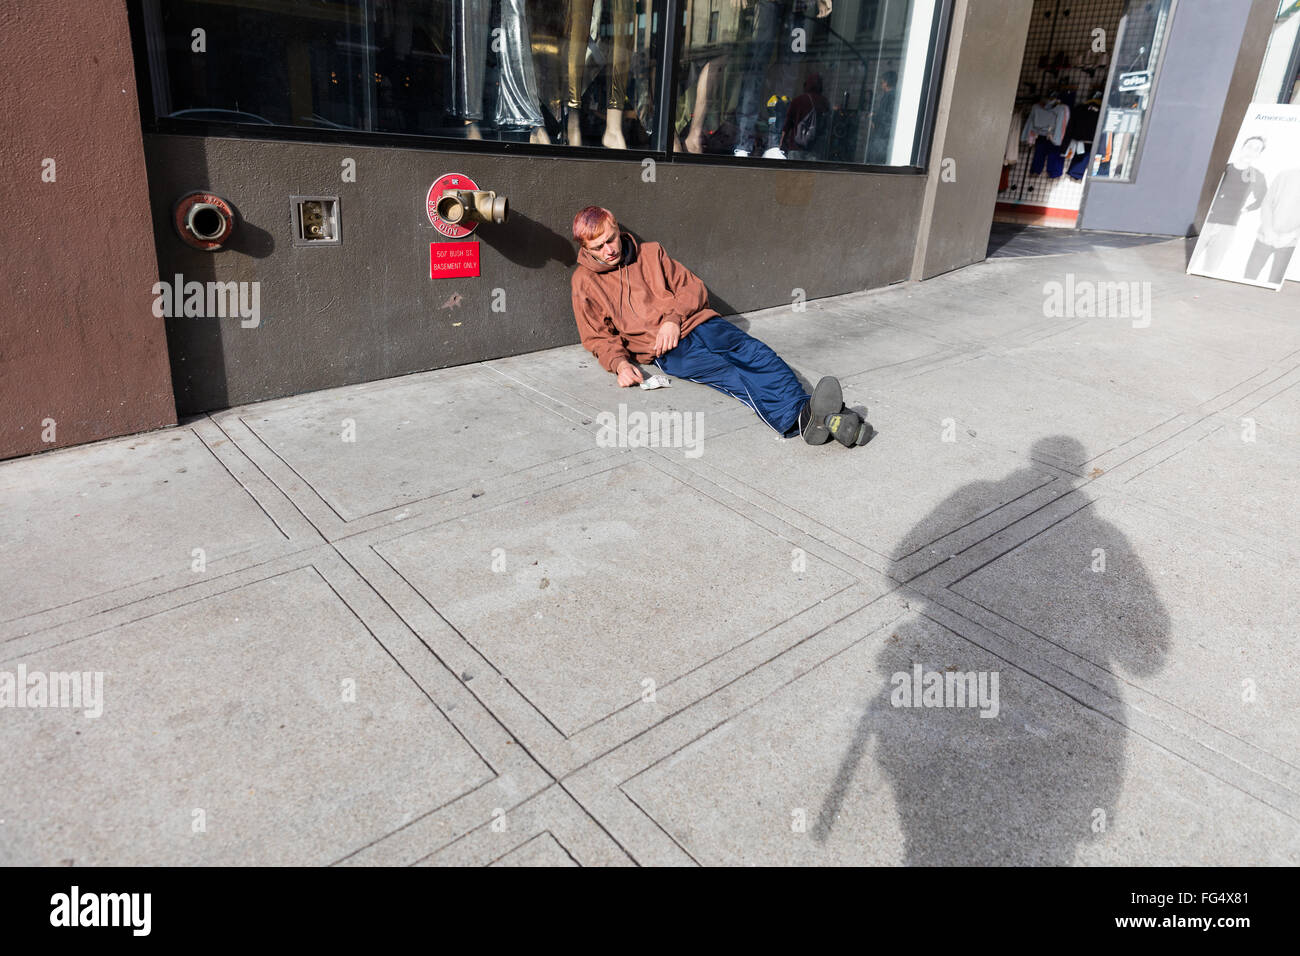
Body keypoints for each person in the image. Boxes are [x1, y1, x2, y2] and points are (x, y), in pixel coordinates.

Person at [569, 206, 870, 446]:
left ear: (618, 230)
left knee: (754, 354)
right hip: (665, 350)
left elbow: (693, 288)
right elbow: (597, 334)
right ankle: (821, 416)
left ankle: (810, 417)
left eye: (611, 238)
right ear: (586, 248)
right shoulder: (585, 282)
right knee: (730, 374)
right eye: (599, 246)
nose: (609, 249)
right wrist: (619, 363)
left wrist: (673, 319)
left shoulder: (651, 253)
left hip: (698, 322)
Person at [1196, 135, 1268, 275]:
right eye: (1249, 146)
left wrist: (1245, 209)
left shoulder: (1257, 175)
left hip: (1227, 227)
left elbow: (1262, 199)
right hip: (1206, 222)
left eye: (1256, 149)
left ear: (1259, 155)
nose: (1251, 151)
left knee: (1211, 269)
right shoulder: (1225, 168)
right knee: (1191, 263)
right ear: (1242, 148)